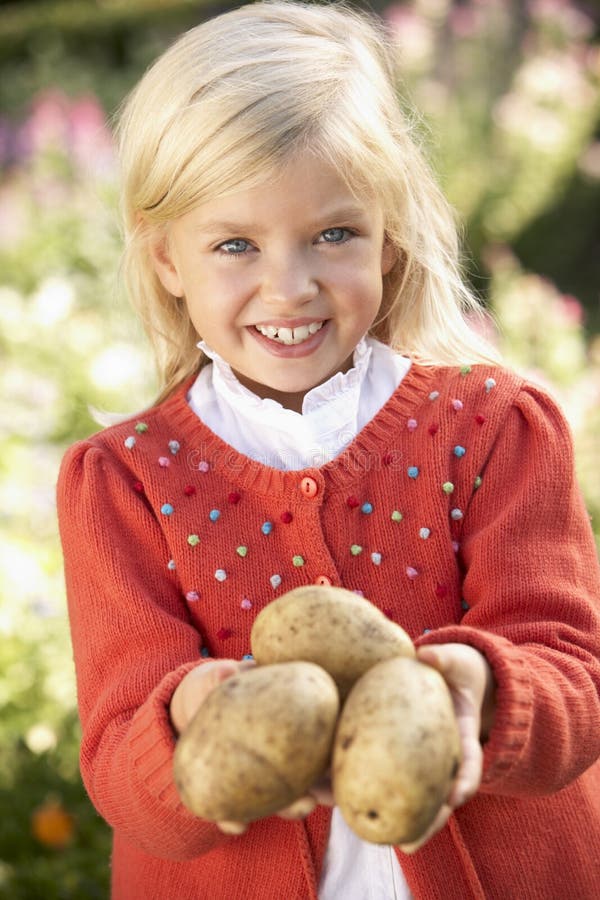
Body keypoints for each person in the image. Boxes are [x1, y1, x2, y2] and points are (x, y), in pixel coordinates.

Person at [56, 2, 600, 898]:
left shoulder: (496, 427)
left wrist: (478, 688)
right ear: (165, 262)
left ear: (389, 236)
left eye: (333, 234)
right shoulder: (124, 483)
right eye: (235, 244)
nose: (291, 284)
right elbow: (121, 764)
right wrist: (193, 714)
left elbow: (573, 678)